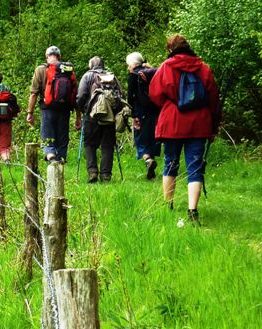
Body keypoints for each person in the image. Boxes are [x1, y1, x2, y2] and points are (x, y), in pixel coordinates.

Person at [149, 35, 221, 226]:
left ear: (170, 48)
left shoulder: (166, 67)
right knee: (195, 166)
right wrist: (214, 127)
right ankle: (192, 210)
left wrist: (170, 103)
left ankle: (168, 205)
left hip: (173, 122)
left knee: (170, 163)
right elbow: (214, 99)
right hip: (199, 123)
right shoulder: (203, 68)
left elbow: (155, 95)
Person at [26, 46, 80, 163]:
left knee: (47, 136)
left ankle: (50, 156)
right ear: (59, 56)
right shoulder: (68, 71)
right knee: (62, 138)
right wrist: (78, 117)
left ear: (46, 56)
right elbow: (75, 94)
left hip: (47, 109)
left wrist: (30, 113)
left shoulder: (40, 70)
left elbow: (34, 93)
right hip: (65, 110)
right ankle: (60, 158)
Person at [76, 56, 124, 183]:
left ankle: (92, 172)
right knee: (108, 146)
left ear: (91, 65)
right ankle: (106, 175)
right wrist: (115, 112)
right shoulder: (112, 76)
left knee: (89, 144)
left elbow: (81, 96)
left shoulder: (87, 76)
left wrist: (84, 110)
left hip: (92, 116)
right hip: (110, 117)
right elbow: (121, 96)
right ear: (103, 65)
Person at [127, 52, 161, 180]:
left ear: (132, 63)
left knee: (140, 138)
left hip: (141, 111)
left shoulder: (133, 75)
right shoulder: (153, 72)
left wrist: (133, 114)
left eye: (128, 65)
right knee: (153, 137)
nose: (128, 67)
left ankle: (147, 160)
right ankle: (151, 167)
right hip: (156, 110)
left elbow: (130, 97)